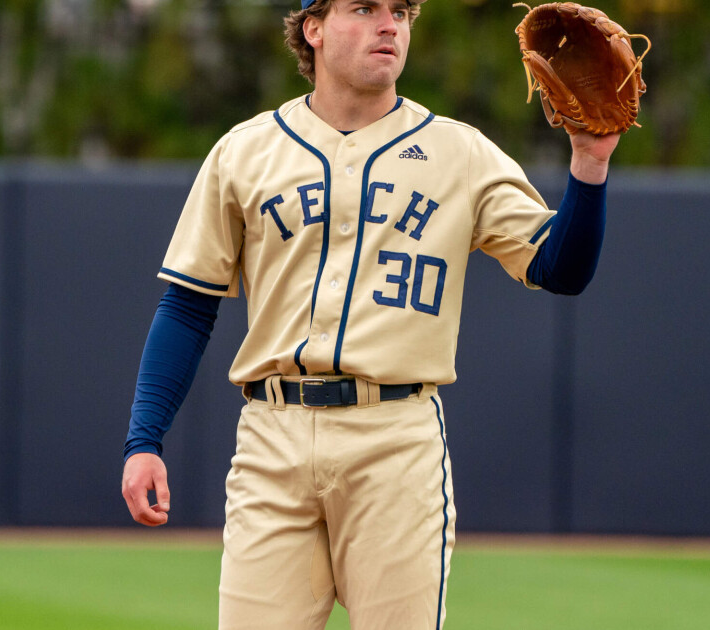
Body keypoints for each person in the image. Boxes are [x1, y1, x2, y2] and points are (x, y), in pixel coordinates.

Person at [121, 1, 619, 627]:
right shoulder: (244, 151)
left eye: (401, 11)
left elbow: (560, 270)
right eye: (365, 7)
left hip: (395, 441)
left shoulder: (460, 153)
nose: (389, 24)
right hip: (273, 438)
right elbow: (188, 307)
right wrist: (144, 440)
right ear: (313, 27)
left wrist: (590, 164)